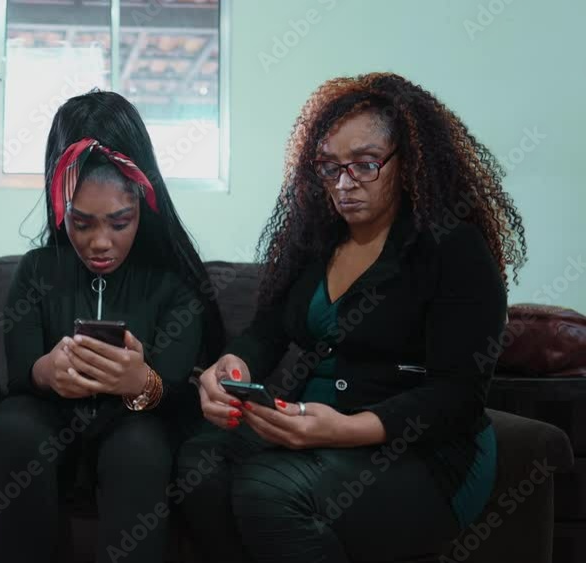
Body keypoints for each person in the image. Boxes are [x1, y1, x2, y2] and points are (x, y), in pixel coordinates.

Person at [178, 72, 527, 563]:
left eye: (365, 165)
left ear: (408, 163)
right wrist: (231, 369)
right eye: (329, 168)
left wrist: (343, 429)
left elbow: (457, 396)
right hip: (317, 430)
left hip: (421, 451)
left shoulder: (452, 250)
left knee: (267, 488)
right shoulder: (317, 240)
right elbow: (267, 331)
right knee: (199, 461)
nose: (344, 185)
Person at [0, 90, 225, 563]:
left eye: (120, 222)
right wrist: (45, 372)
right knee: (13, 424)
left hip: (136, 428)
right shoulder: (38, 270)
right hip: (50, 422)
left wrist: (142, 383)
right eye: (81, 223)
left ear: (142, 205)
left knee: (138, 444)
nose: (100, 244)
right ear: (61, 209)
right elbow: (16, 375)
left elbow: (178, 392)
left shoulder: (172, 281)